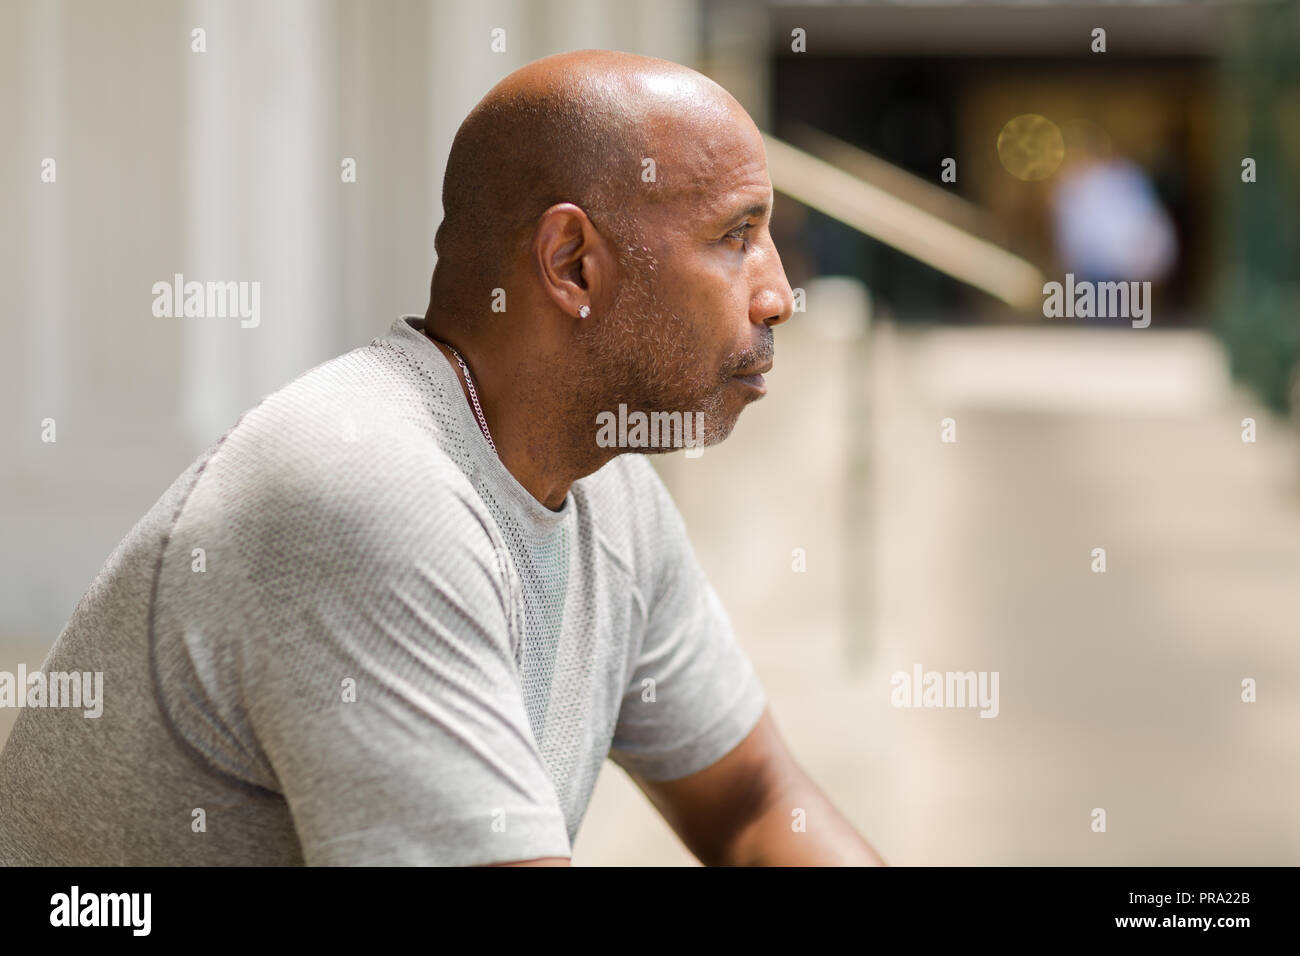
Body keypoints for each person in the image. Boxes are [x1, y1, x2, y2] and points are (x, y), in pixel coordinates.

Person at [0, 49, 884, 867]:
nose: (779, 295)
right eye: (736, 237)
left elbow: (756, 806)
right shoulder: (365, 492)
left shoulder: (612, 495)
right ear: (572, 264)